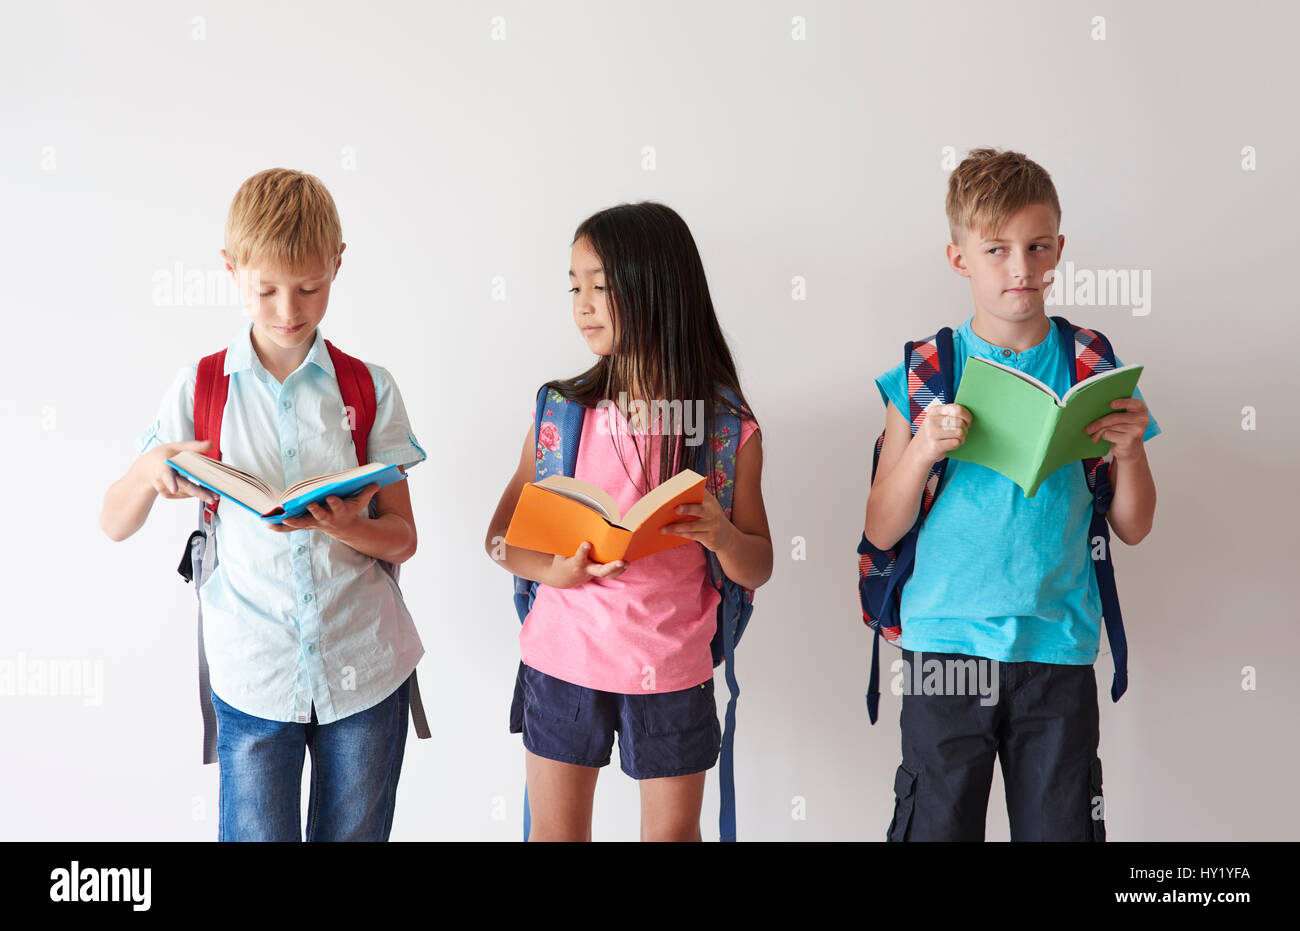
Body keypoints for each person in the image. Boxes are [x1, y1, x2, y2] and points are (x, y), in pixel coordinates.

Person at [99, 168, 426, 841]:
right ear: (231, 269)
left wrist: (348, 527)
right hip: (252, 673)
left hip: (364, 670)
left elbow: (403, 538)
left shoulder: (369, 387)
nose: (288, 309)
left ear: (337, 264)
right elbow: (113, 520)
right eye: (266, 289)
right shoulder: (200, 386)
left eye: (309, 288)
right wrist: (146, 473)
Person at [864, 148, 1160, 841]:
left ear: (1059, 248)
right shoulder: (928, 368)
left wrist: (1130, 448)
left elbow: (1135, 525)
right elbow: (881, 527)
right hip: (944, 647)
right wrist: (923, 449)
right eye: (996, 249)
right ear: (958, 256)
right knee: (935, 826)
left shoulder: (1092, 363)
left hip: (1056, 648)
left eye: (1036, 247)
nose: (1020, 268)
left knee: (1061, 829)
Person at [485, 202, 773, 841]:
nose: (582, 304)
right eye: (574, 286)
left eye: (600, 286)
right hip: (562, 664)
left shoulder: (725, 430)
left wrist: (723, 536)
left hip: (671, 669)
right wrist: (553, 572)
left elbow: (759, 565)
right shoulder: (564, 415)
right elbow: (500, 541)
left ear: (658, 289)